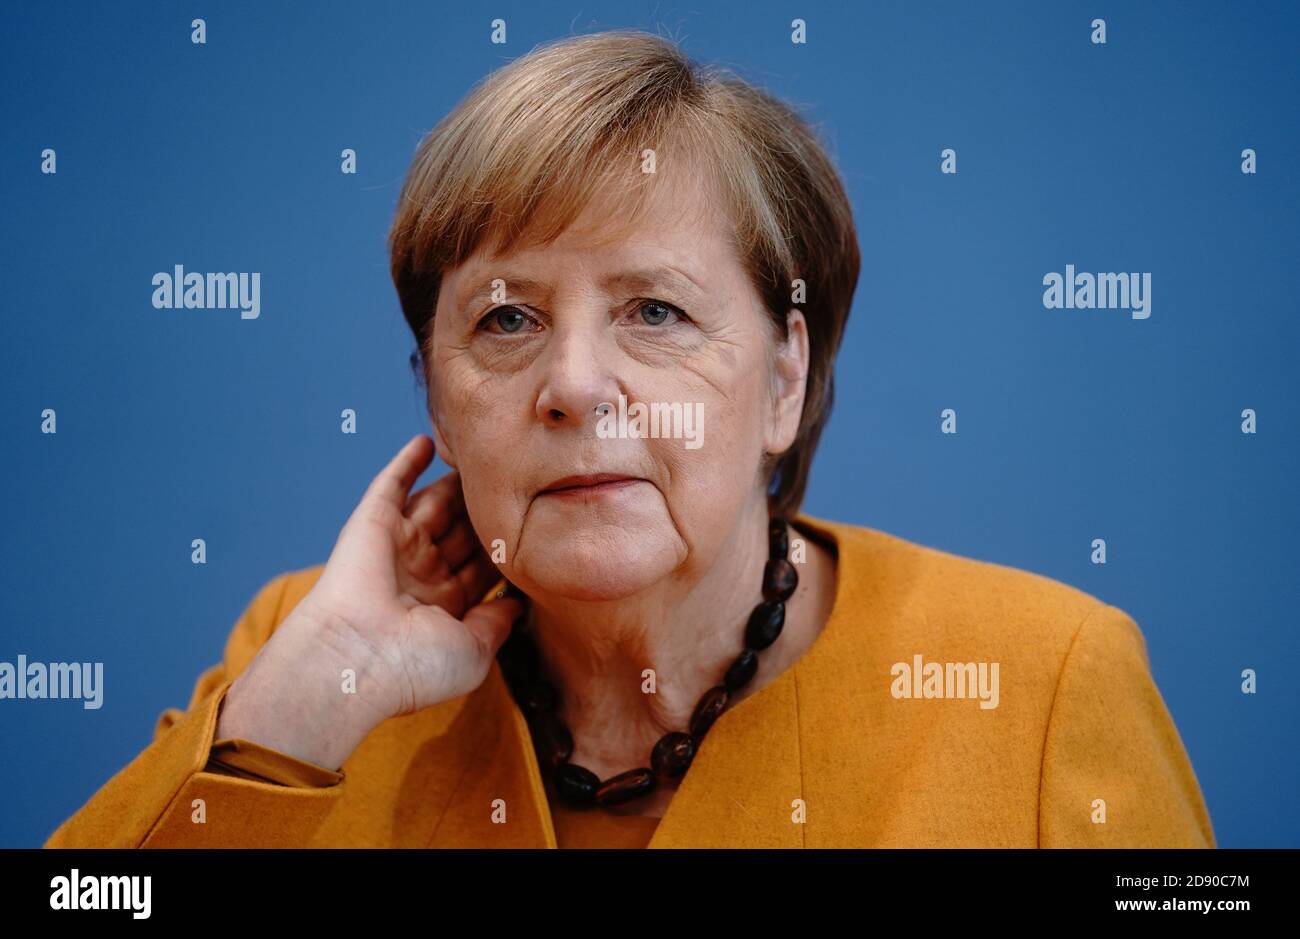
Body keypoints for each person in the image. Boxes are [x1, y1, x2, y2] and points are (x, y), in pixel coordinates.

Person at [44, 29, 1214, 849]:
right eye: (505, 319)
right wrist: (288, 724)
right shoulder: (300, 659)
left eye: (655, 311)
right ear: (434, 401)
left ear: (783, 376)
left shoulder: (1046, 680)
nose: (574, 384)